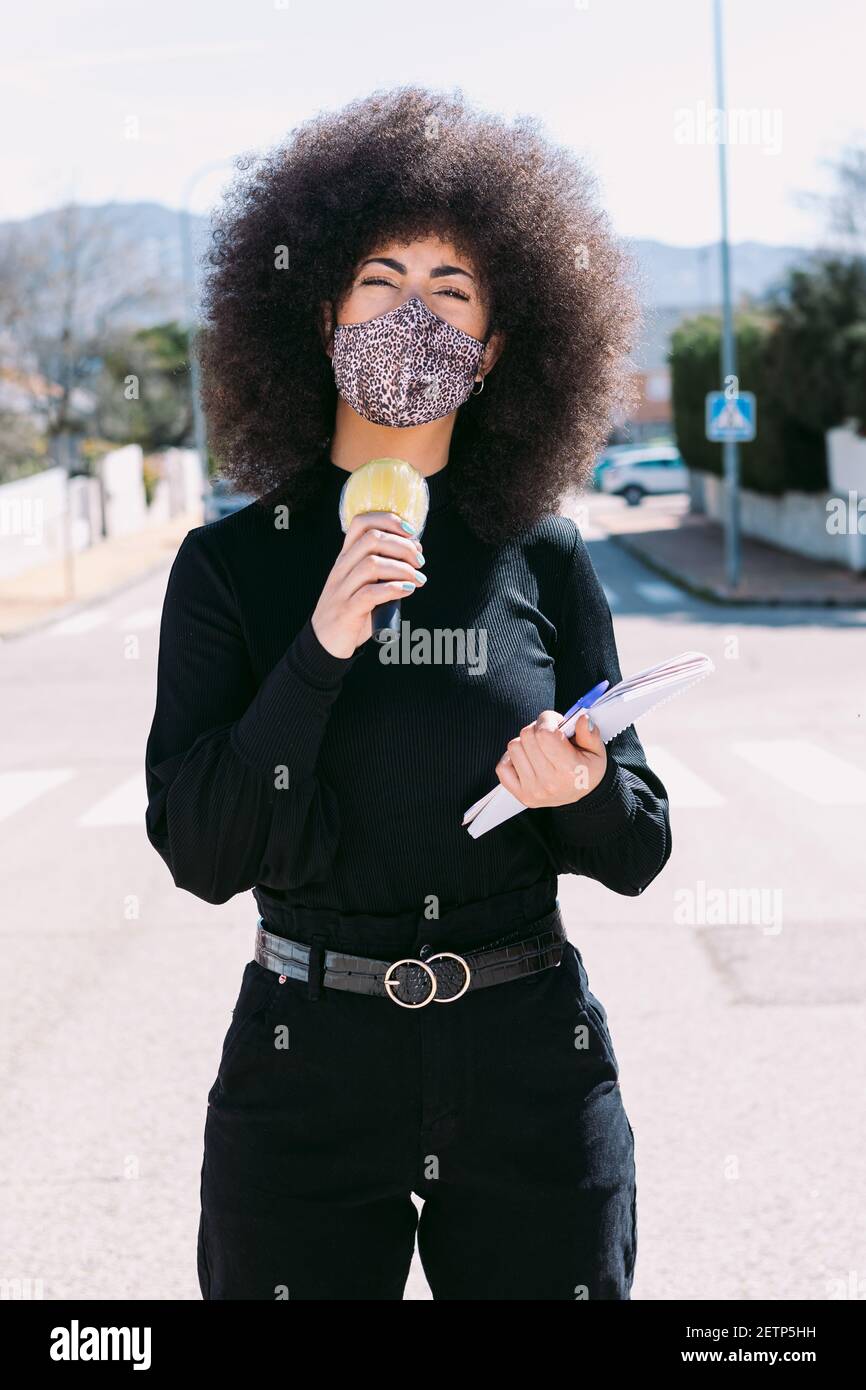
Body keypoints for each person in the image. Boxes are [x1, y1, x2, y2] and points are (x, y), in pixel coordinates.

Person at [145, 84, 671, 1301]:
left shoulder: (540, 553)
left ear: (492, 353)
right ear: (322, 313)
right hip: (306, 1057)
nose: (412, 313)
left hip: (529, 1052)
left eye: (453, 291)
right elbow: (202, 849)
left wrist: (580, 784)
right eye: (380, 280)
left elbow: (638, 843)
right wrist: (318, 647)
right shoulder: (230, 565)